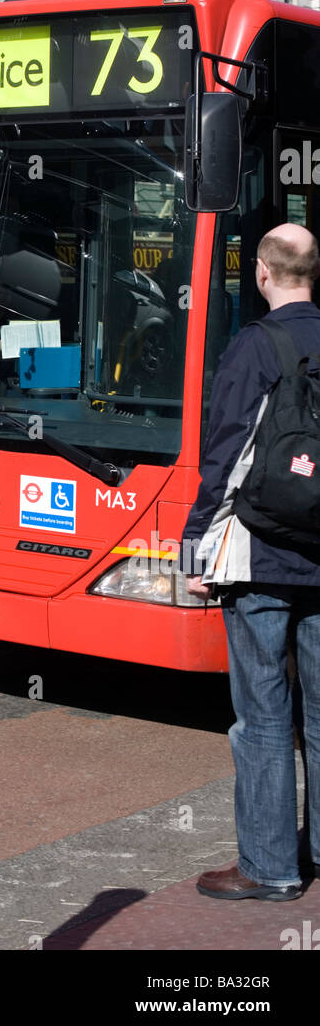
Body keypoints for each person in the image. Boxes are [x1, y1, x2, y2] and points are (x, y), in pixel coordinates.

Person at [181, 223, 320, 902]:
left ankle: (269, 867)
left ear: (263, 273)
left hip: (262, 554)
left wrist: (192, 547)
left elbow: (222, 459)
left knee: (263, 716)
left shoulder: (254, 346)